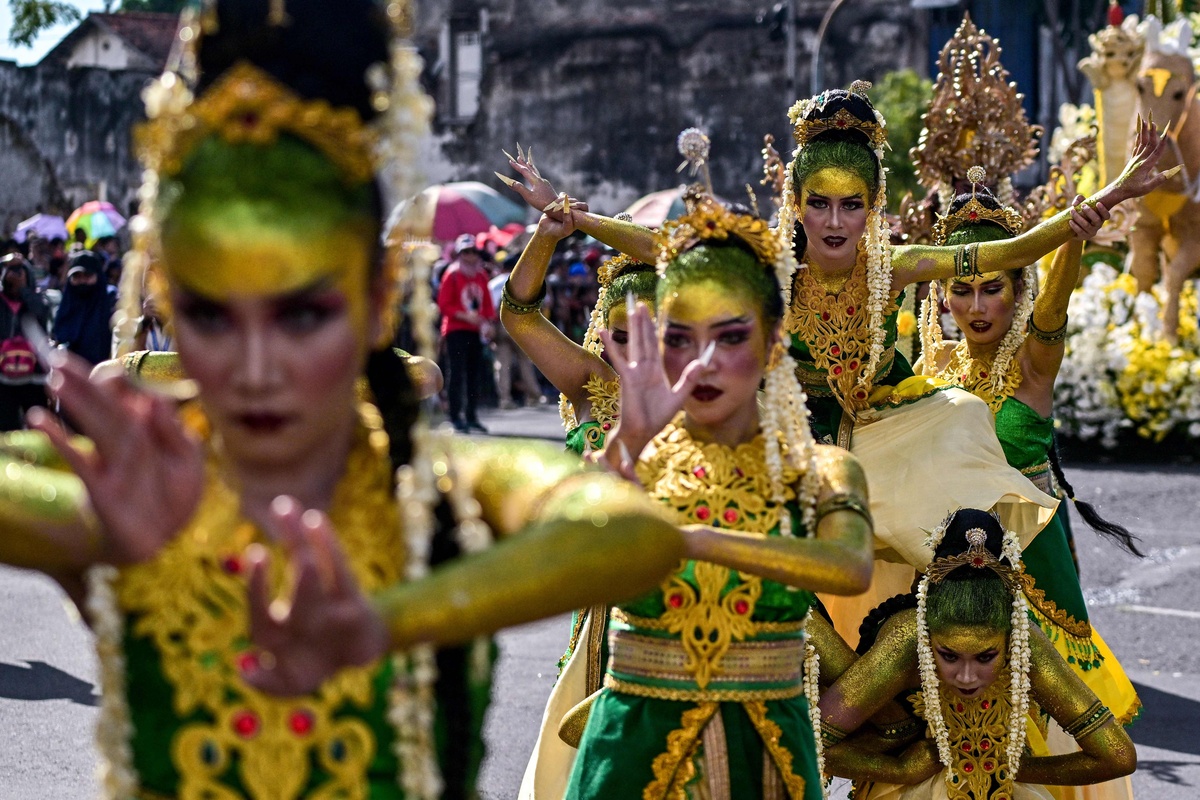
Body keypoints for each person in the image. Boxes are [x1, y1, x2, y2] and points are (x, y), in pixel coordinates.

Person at [0, 2, 688, 797]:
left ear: (369, 299)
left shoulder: (430, 481)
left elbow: (634, 534)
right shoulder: (145, 482)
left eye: (302, 313)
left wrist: (388, 623)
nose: (257, 368)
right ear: (166, 303)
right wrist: (105, 565)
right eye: (213, 314)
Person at [499, 85, 1175, 641]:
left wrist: (1107, 198)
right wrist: (575, 221)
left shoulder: (894, 266)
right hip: (790, 450)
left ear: (871, 208)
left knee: (979, 447)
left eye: (851, 205)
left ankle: (1034, 656)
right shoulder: (774, 262)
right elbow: (670, 243)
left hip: (879, 438)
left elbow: (1005, 253)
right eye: (818, 203)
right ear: (797, 204)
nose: (834, 220)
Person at [563, 194, 874, 799]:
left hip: (764, 754)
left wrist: (699, 541)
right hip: (630, 748)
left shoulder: (818, 469)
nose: (703, 363)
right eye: (679, 338)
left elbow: (850, 566)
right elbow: (567, 563)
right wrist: (628, 443)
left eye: (730, 337)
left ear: (774, 341)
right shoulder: (632, 458)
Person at [917, 180, 1143, 795]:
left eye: (994, 287)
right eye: (962, 289)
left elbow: (1054, 312)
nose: (977, 304)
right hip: (954, 568)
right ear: (943, 294)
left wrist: (1074, 235)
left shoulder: (1032, 364)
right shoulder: (930, 370)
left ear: (1019, 292)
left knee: (1038, 723)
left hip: (1031, 567)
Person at [817, 508, 1137, 799]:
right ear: (928, 633)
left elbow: (1117, 756)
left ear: (1008, 635)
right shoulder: (907, 640)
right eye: (949, 655)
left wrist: (1013, 769)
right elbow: (808, 740)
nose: (967, 677)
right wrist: (897, 769)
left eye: (985, 657)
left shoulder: (1023, 640)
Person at [504, 203, 658, 800]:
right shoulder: (592, 383)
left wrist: (590, 221)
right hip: (594, 612)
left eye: (652, 331)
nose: (634, 350)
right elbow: (517, 312)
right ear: (603, 329)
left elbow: (678, 253)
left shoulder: (701, 395)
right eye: (621, 334)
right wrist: (547, 236)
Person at [437, 232, 496, 433]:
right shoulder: (452, 274)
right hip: (456, 331)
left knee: (473, 375)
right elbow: (444, 304)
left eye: (473, 252)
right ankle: (455, 417)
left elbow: (487, 304)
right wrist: (464, 316)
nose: (470, 256)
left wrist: (488, 323)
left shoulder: (480, 275)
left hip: (475, 331)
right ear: (459, 254)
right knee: (456, 375)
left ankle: (471, 416)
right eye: (466, 252)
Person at [488, 251, 544, 409]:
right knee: (525, 362)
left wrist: (491, 327)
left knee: (502, 364)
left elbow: (490, 306)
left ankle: (505, 399)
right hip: (520, 325)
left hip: (500, 325)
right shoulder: (521, 280)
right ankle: (534, 396)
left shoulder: (494, 283)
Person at [0, 254, 49, 430]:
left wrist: (23, 289)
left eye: (20, 270)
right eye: (10, 270)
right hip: (3, 376)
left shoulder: (37, 299)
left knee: (38, 427)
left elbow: (40, 313)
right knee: (6, 428)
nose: (15, 274)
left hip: (34, 375)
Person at [53, 250, 116, 366]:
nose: (82, 281)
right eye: (77, 277)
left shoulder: (110, 301)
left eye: (87, 276)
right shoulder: (66, 304)